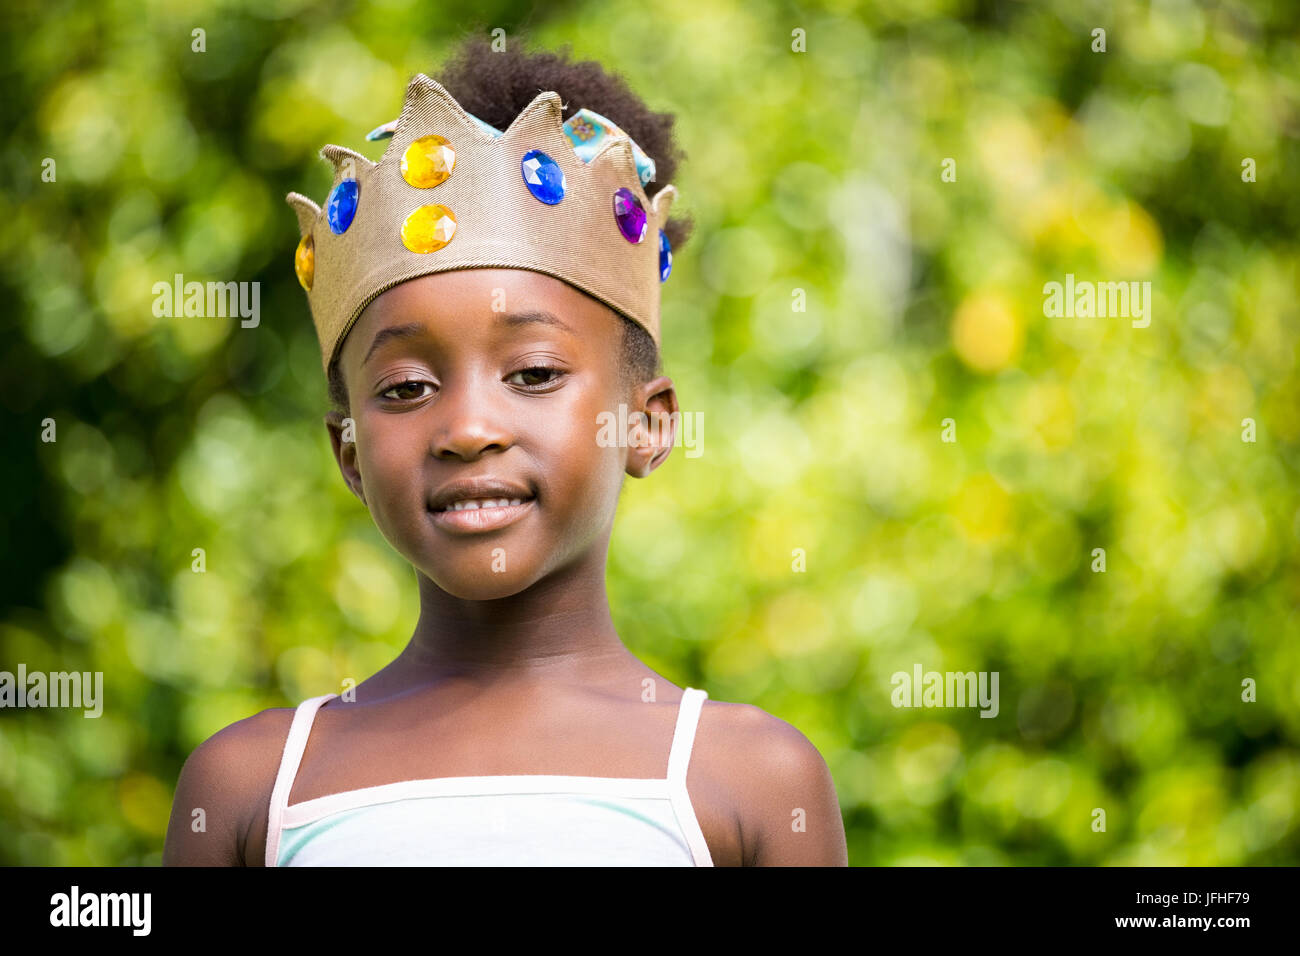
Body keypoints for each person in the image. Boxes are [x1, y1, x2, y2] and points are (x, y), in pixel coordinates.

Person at [163, 34, 847, 866]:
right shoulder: (253, 789)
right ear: (348, 452)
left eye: (532, 372)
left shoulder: (750, 782)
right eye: (407, 387)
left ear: (647, 421)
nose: (467, 429)